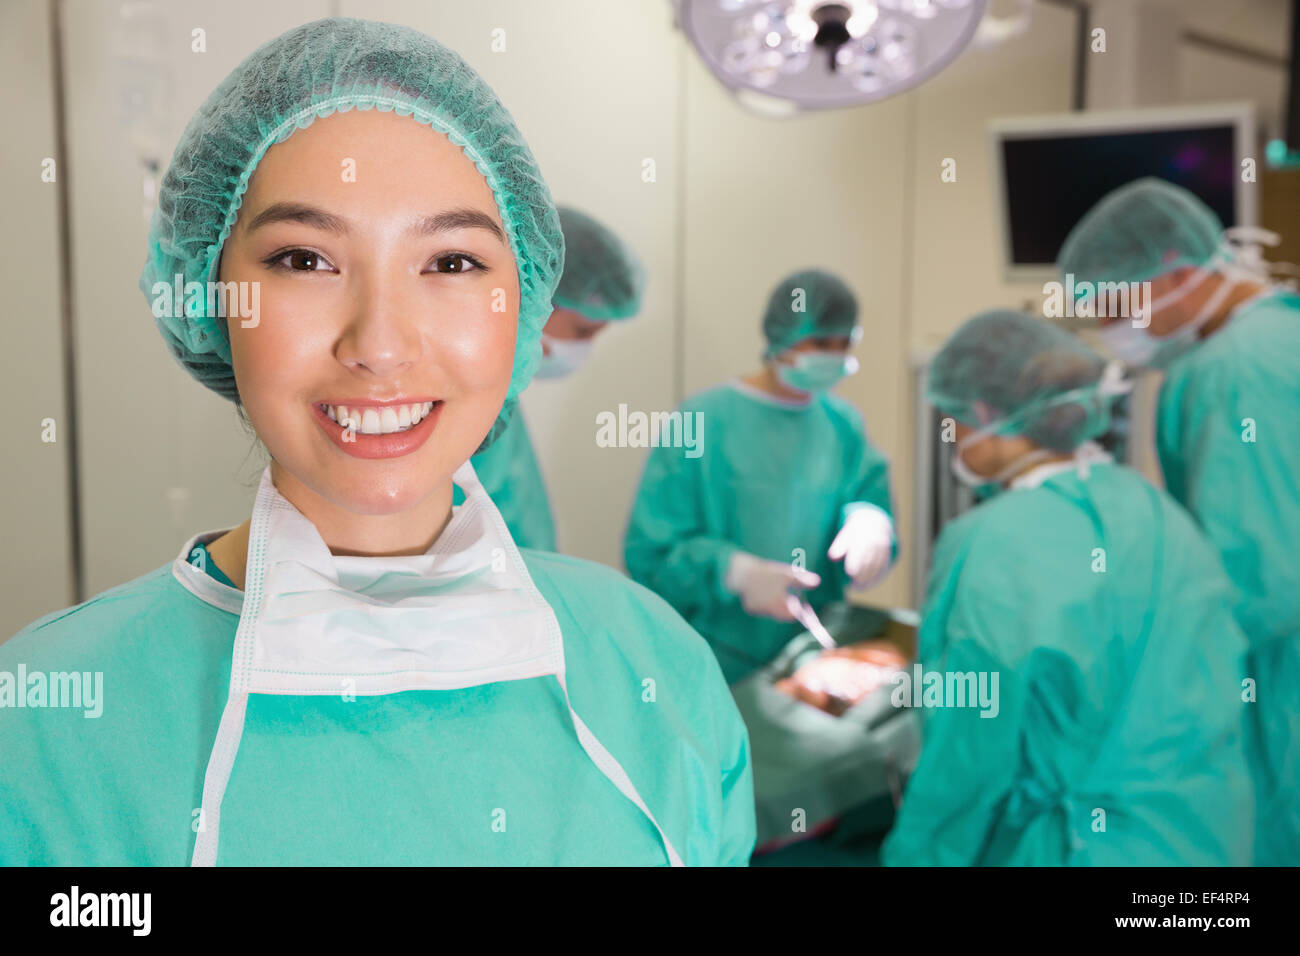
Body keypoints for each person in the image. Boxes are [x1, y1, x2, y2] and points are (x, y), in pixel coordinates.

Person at [0, 17, 753, 867]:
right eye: (303, 259)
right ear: (212, 296)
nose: (382, 345)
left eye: (453, 262)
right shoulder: (46, 730)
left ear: (525, 303)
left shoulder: (658, 673)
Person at [881, 309, 1253, 866]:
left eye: (953, 420)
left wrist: (920, 854)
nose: (954, 437)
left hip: (1080, 846)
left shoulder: (994, 541)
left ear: (985, 412)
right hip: (1198, 841)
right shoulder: (1154, 509)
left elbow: (972, 744)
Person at [1059, 177, 1300, 865]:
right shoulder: (1279, 333)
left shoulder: (1237, 370)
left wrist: (1150, 671)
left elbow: (1261, 579)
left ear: (1180, 273)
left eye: (1117, 308)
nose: (1118, 332)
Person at [624, 269, 896, 685]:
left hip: (809, 658)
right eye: (822, 342)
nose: (835, 356)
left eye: (845, 344)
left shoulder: (843, 424)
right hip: (713, 659)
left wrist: (870, 521)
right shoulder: (703, 420)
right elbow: (651, 551)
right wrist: (735, 572)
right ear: (783, 335)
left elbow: (867, 493)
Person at [467, 206, 645, 551]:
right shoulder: (466, 401)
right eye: (582, 331)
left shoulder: (502, 401)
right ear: (533, 293)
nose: (582, 349)